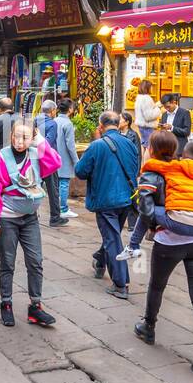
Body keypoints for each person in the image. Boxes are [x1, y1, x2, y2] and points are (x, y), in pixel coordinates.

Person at [131, 136, 193, 380]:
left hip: (169, 242)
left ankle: (148, 326)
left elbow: (148, 206)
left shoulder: (170, 172)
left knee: (157, 286)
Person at [0, 121, 61, 327]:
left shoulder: (35, 154)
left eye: (25, 137)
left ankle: (35, 306)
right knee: (7, 263)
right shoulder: (1, 158)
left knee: (35, 261)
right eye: (16, 136)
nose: (19, 141)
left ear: (32, 137)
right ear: (11, 136)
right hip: (7, 218)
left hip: (30, 219)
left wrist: (41, 141)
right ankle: (6, 304)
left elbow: (55, 162)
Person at [117, 134, 193, 262]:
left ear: (152, 150)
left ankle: (133, 245)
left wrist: (147, 168)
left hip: (173, 226)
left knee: (146, 208)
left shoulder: (171, 169)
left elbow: (146, 210)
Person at [75, 111, 141, 300]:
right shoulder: (130, 142)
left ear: (101, 125)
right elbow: (135, 168)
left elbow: (80, 171)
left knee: (112, 239)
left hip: (105, 199)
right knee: (112, 235)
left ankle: (121, 283)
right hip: (127, 198)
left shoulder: (96, 146)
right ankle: (100, 259)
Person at [34, 99, 67, 227]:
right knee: (53, 189)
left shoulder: (35, 121)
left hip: (35, 157)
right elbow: (48, 142)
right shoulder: (52, 124)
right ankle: (55, 217)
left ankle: (30, 214)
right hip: (48, 160)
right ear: (52, 111)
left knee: (34, 186)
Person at [55, 98, 80, 219]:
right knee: (64, 184)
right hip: (64, 158)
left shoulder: (54, 121)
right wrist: (76, 161)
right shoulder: (67, 123)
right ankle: (63, 209)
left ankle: (57, 208)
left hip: (53, 157)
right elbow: (71, 145)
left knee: (57, 185)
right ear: (70, 109)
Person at [158, 93, 192, 157]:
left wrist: (172, 128)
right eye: (165, 107)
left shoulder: (184, 113)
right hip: (166, 149)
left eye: (168, 106)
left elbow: (187, 132)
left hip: (179, 149)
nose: (167, 109)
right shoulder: (164, 115)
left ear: (174, 102)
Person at [134, 81, 160, 150]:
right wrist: (158, 109)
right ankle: (148, 161)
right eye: (151, 87)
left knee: (145, 146)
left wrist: (155, 106)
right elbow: (149, 116)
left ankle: (144, 161)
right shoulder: (146, 99)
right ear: (147, 88)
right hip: (148, 127)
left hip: (142, 126)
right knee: (150, 148)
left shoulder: (139, 98)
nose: (152, 88)